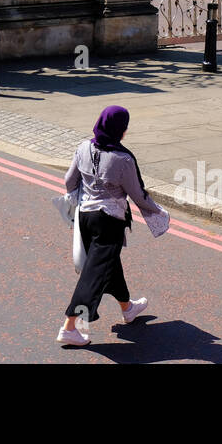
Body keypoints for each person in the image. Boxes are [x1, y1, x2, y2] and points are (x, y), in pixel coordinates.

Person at [58, 106, 166, 346]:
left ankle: (127, 308)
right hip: (109, 222)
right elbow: (137, 195)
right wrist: (158, 211)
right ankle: (70, 326)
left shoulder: (83, 147)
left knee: (108, 265)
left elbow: (69, 181)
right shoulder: (123, 159)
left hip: (86, 218)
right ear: (121, 131)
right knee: (93, 275)